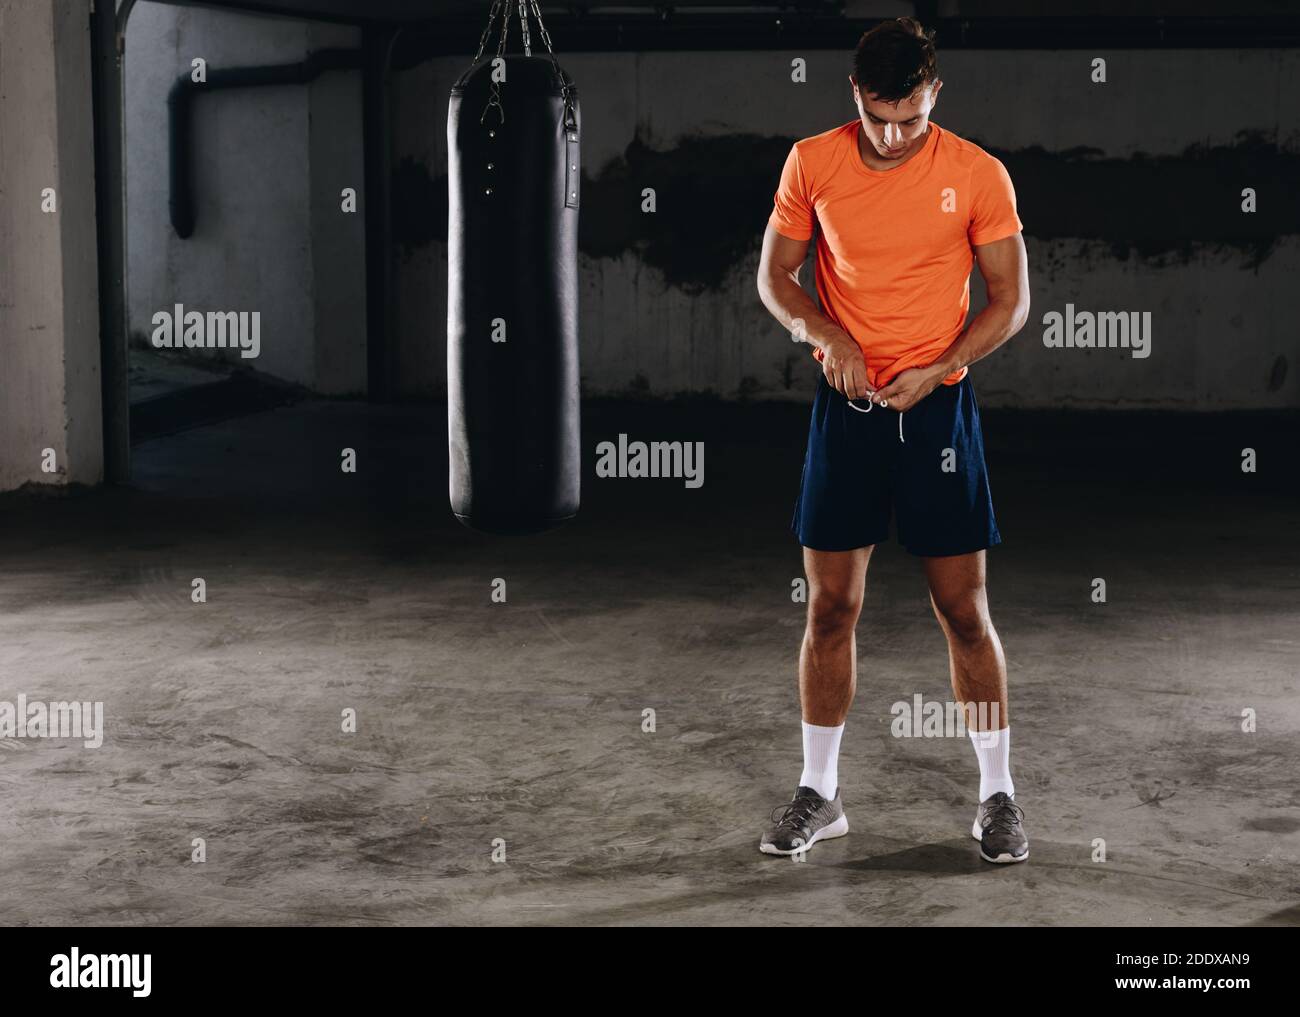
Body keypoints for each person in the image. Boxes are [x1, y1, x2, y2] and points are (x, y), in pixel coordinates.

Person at [755, 17, 1031, 863]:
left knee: (963, 610)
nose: (893, 135)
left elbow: (1009, 300)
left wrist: (944, 364)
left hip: (939, 412)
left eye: (910, 117)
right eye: (879, 117)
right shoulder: (813, 161)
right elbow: (775, 276)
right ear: (855, 96)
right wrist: (827, 338)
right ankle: (821, 793)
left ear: (934, 94)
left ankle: (998, 796)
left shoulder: (978, 173)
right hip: (851, 409)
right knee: (831, 606)